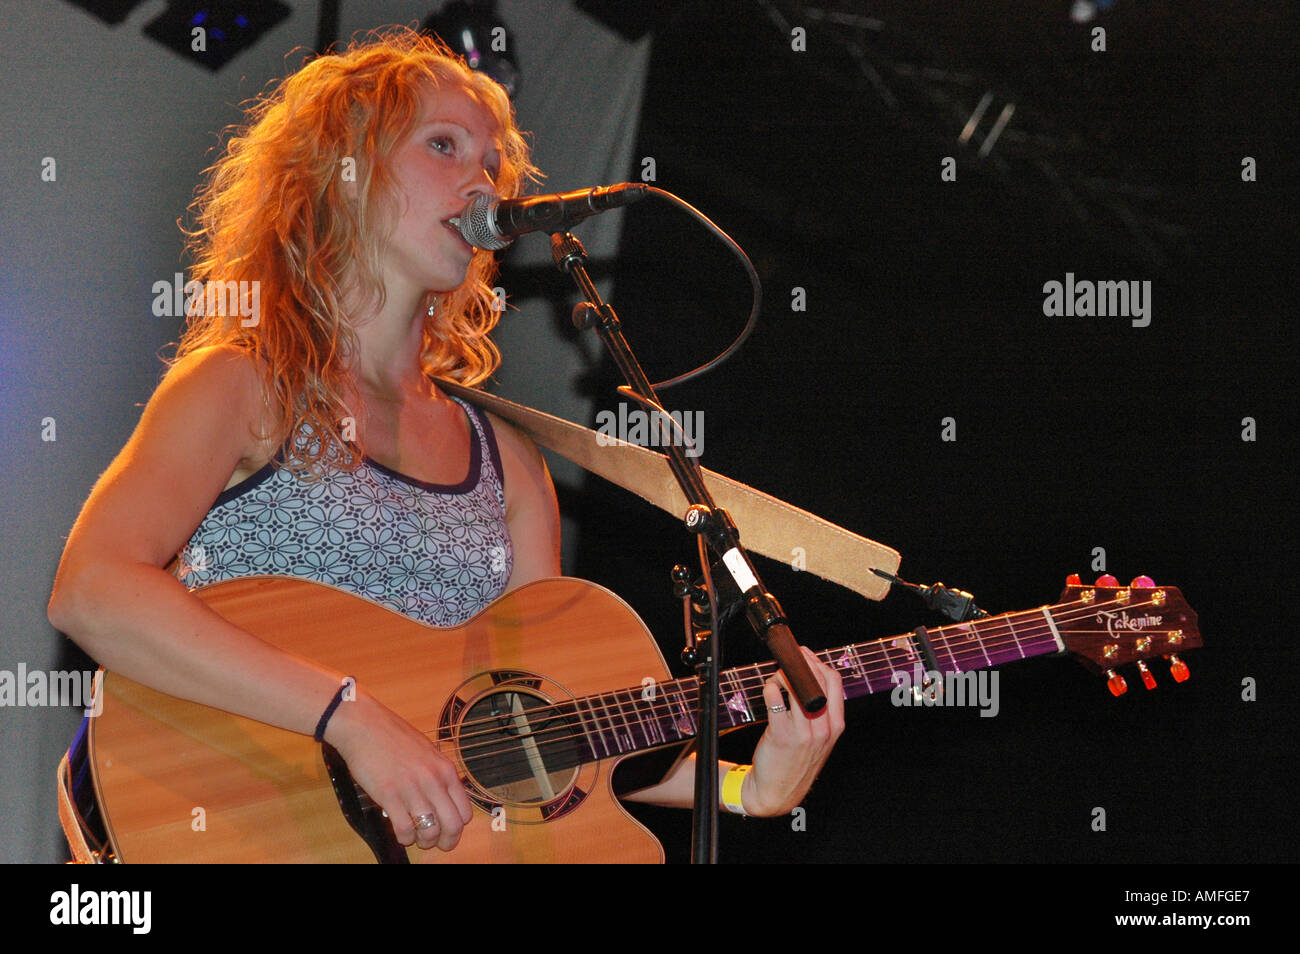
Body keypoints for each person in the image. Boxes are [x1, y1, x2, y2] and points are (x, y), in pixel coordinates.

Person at [47, 27, 843, 859]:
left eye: (494, 162)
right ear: (340, 172)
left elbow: (549, 734)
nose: (482, 181)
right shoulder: (246, 381)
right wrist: (348, 715)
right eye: (443, 145)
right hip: (219, 816)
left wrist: (749, 787)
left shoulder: (510, 464)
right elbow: (93, 589)